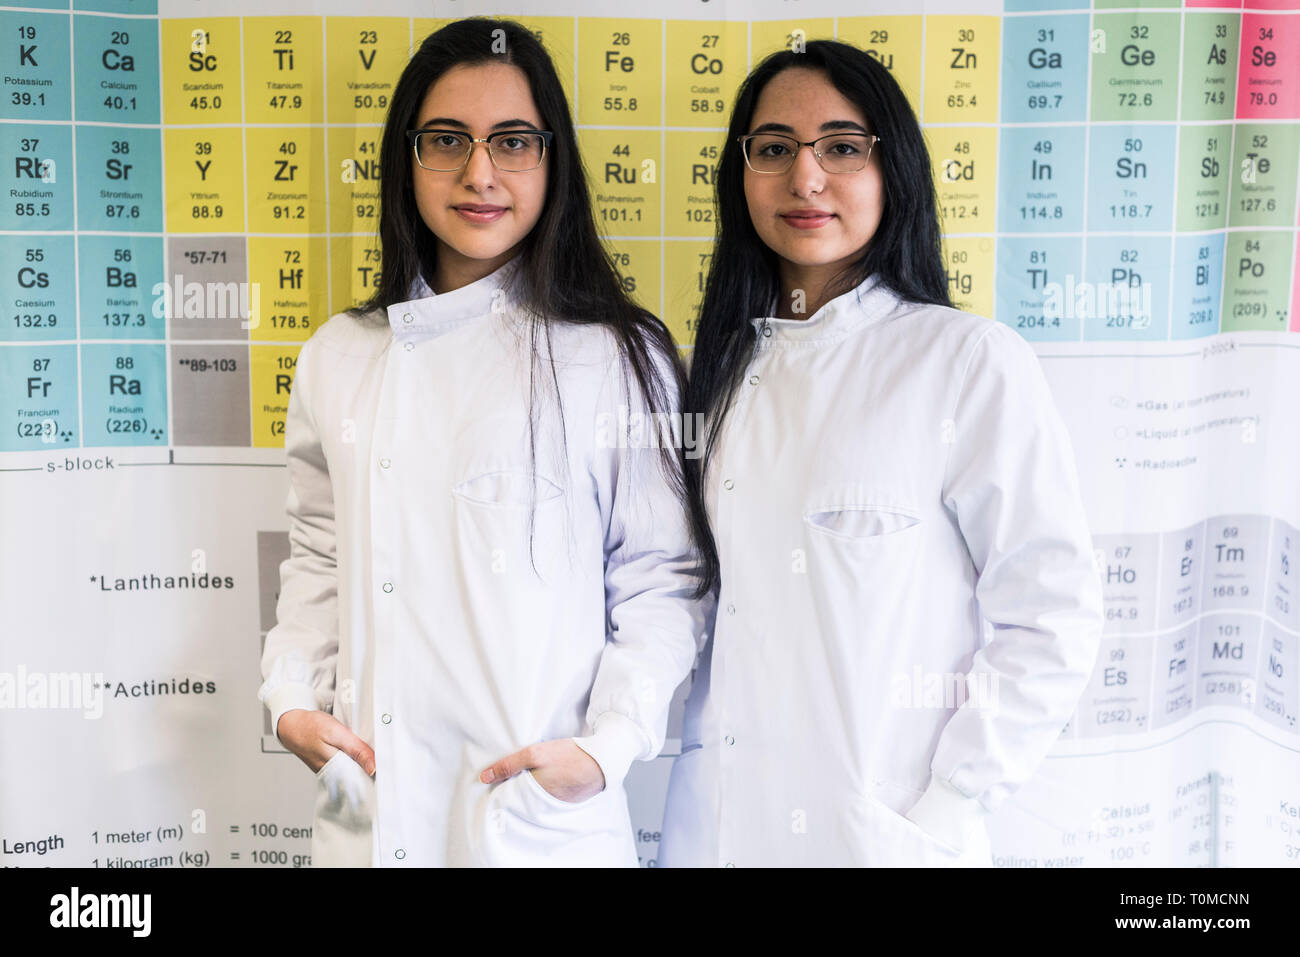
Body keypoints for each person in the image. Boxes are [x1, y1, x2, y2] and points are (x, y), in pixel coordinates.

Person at [258, 17, 704, 867]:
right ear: (406, 156)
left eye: (512, 141)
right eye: (447, 140)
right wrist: (288, 698)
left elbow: (663, 583)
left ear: (552, 159)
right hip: (371, 811)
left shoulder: (614, 353)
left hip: (532, 820)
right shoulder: (340, 355)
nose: (479, 172)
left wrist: (607, 747)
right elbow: (318, 556)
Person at [658, 40, 1104, 867]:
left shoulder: (966, 361)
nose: (806, 178)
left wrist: (953, 801)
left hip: (887, 834)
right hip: (716, 830)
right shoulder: (719, 376)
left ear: (890, 167)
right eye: (774, 149)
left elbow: (1052, 613)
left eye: (841, 146)